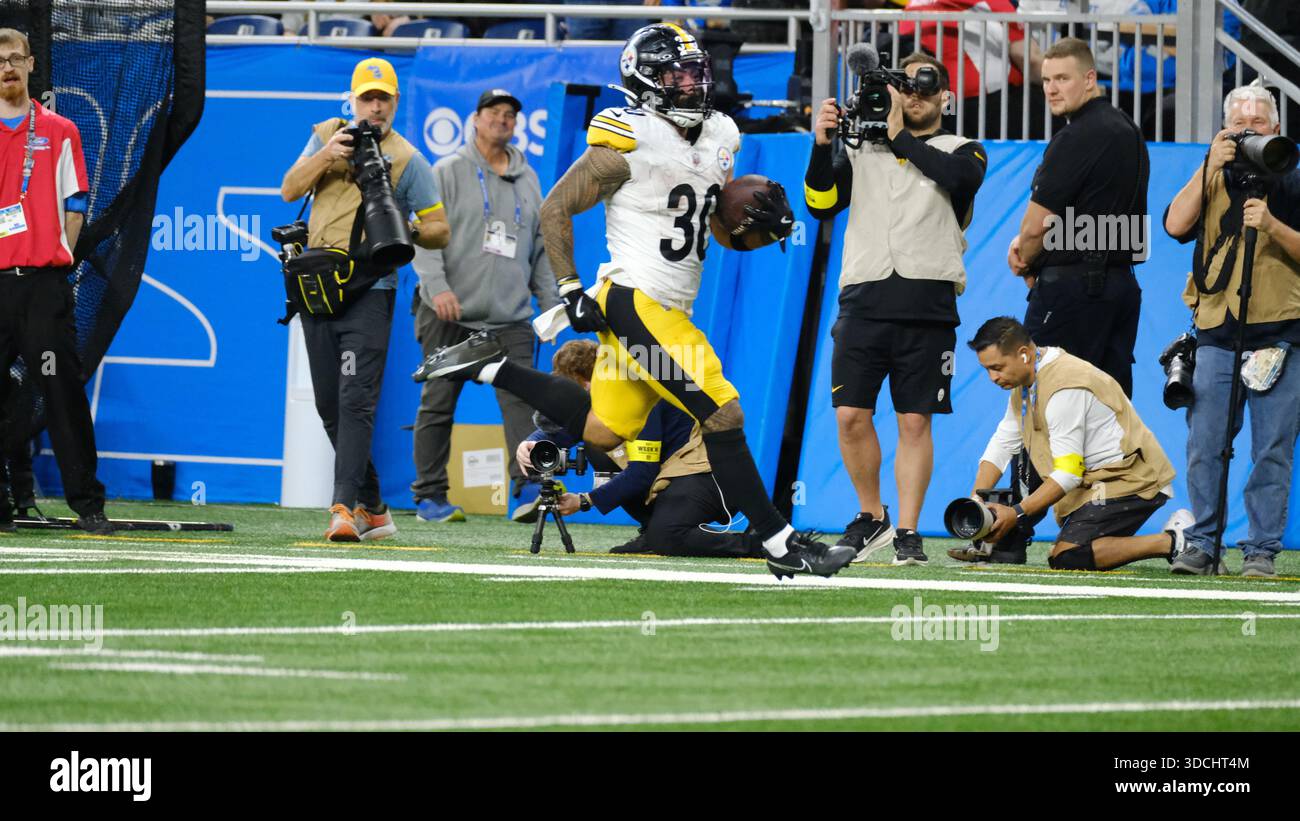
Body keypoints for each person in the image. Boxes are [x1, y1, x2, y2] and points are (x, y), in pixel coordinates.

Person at [418, 24, 855, 578]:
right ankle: (780, 543)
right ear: (647, 82)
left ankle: (489, 365)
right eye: (679, 74)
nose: (694, 83)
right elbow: (555, 209)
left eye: (697, 72)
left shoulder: (721, 134)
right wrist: (571, 289)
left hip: (666, 305)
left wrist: (751, 225)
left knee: (603, 430)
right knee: (723, 412)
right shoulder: (628, 136)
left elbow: (707, 231)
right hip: (637, 303)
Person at [805, 53, 987, 566]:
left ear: (946, 98)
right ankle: (872, 515)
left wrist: (897, 135)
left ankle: (908, 529)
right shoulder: (861, 147)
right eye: (905, 86)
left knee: (913, 421)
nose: (914, 95)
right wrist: (823, 145)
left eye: (925, 87)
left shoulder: (963, 149)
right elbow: (820, 204)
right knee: (850, 415)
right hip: (863, 296)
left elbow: (957, 178)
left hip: (927, 304)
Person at [281, 57, 450, 542]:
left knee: (356, 402)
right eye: (367, 98)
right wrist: (327, 155)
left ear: (395, 103)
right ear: (352, 101)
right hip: (317, 288)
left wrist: (407, 226)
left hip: (371, 291)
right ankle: (375, 506)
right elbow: (289, 189)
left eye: (384, 99)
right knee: (329, 405)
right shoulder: (326, 136)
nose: (375, 107)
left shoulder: (408, 159)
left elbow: (441, 230)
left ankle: (344, 508)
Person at [1162, 85, 1300, 579]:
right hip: (1217, 328)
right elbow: (1175, 225)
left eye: (1258, 124)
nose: (1248, 133)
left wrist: (1273, 227)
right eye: (1238, 126)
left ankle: (1260, 550)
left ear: (1277, 129)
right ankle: (1202, 544)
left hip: (1281, 331)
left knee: (1272, 448)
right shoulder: (1214, 173)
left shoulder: (1295, 177)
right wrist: (1208, 166)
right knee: (1205, 444)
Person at [410, 88, 559, 524]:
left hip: (509, 317)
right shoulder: (447, 171)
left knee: (522, 404)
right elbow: (423, 232)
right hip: (449, 312)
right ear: (475, 119)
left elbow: (540, 250)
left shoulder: (529, 179)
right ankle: (430, 498)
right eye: (494, 112)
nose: (503, 119)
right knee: (438, 402)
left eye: (510, 113)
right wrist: (437, 287)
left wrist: (550, 306)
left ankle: (529, 490)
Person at [0, 28, 112, 535]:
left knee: (62, 391)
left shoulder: (60, 129)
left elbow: (76, 202)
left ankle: (88, 505)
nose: (7, 67)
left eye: (15, 58)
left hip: (44, 285)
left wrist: (61, 254)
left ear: (31, 65)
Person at [964, 317, 1185, 572]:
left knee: (1068, 557)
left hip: (1131, 480)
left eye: (997, 367)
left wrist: (1016, 513)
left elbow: (1069, 473)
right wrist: (976, 502)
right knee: (1027, 452)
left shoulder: (1064, 386)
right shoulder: (1026, 381)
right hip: (1095, 482)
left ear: (1024, 354)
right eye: (987, 370)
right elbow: (1002, 444)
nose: (992, 377)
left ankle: (1172, 540)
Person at [516, 340, 761, 558]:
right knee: (595, 443)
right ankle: (651, 528)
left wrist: (585, 501)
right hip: (673, 472)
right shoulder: (607, 394)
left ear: (588, 384)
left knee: (667, 536)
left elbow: (642, 472)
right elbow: (566, 430)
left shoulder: (639, 394)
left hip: (708, 473)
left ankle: (756, 543)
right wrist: (530, 444)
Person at [1008, 38, 1149, 398]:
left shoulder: (1075, 137)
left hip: (1073, 292)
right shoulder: (1129, 131)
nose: (1052, 89)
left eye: (1062, 79)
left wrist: (1025, 257)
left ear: (1089, 79)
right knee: (1109, 418)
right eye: (1046, 80)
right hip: (1121, 287)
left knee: (1041, 405)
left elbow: (1035, 227)